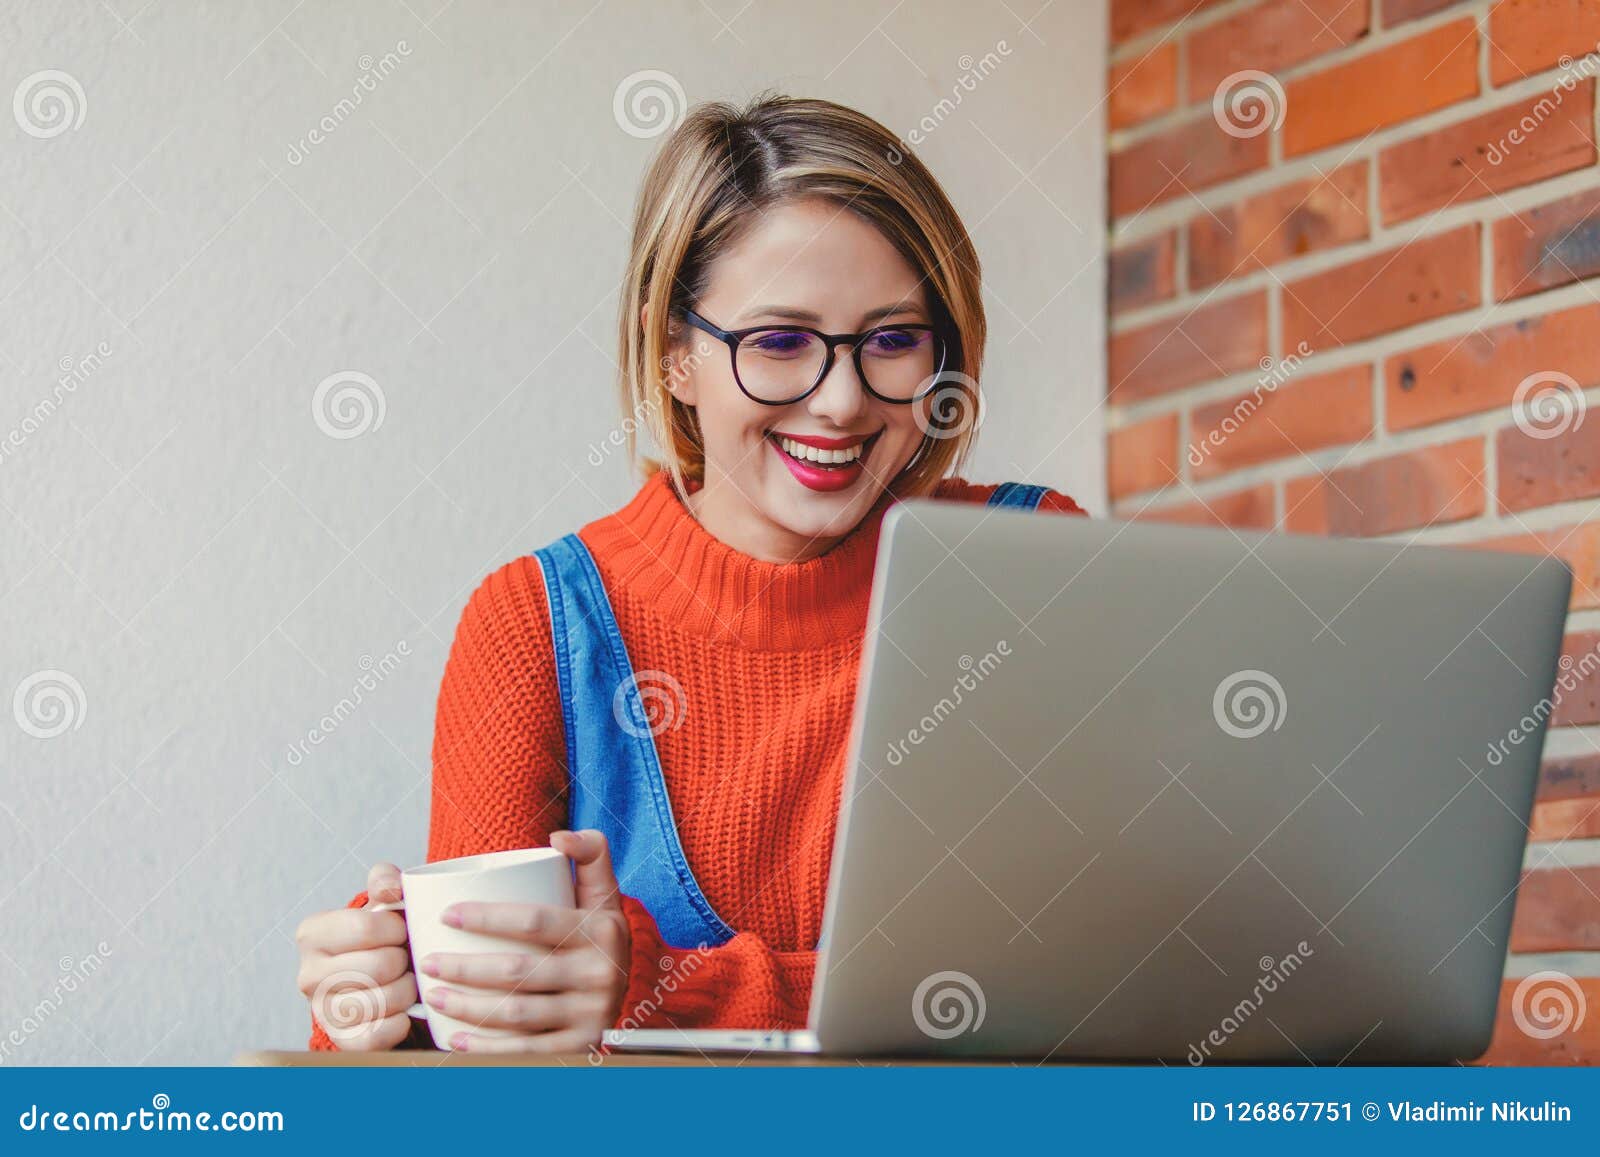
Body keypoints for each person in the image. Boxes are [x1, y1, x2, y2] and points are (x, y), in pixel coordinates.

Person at [293, 92, 1085, 1053]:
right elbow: (487, 1065)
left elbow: (1095, 983)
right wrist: (385, 1008)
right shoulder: (535, 623)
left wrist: (657, 988)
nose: (840, 402)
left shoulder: (1030, 567)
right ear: (673, 352)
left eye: (892, 340)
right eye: (779, 341)